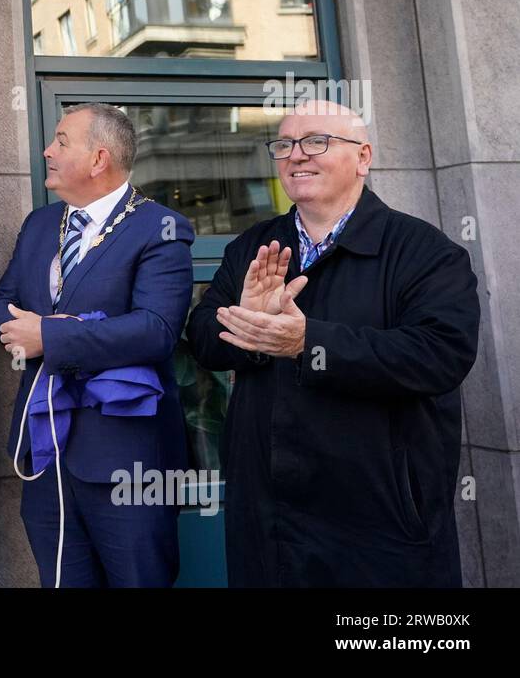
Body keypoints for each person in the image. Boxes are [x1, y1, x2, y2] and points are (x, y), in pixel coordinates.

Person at [185, 100, 480, 587]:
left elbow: (440, 356)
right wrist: (248, 330)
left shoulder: (425, 252)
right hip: (267, 517)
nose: (296, 155)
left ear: (363, 157)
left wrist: (309, 343)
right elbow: (203, 340)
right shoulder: (253, 246)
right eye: (283, 145)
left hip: (378, 522)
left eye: (316, 141)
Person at [0, 103, 193, 587]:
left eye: (61, 141)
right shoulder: (40, 224)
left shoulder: (160, 227)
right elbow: (1, 303)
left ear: (99, 158)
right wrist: (21, 330)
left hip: (129, 463)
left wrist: (51, 336)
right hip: (46, 453)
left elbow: (157, 329)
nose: (47, 151)